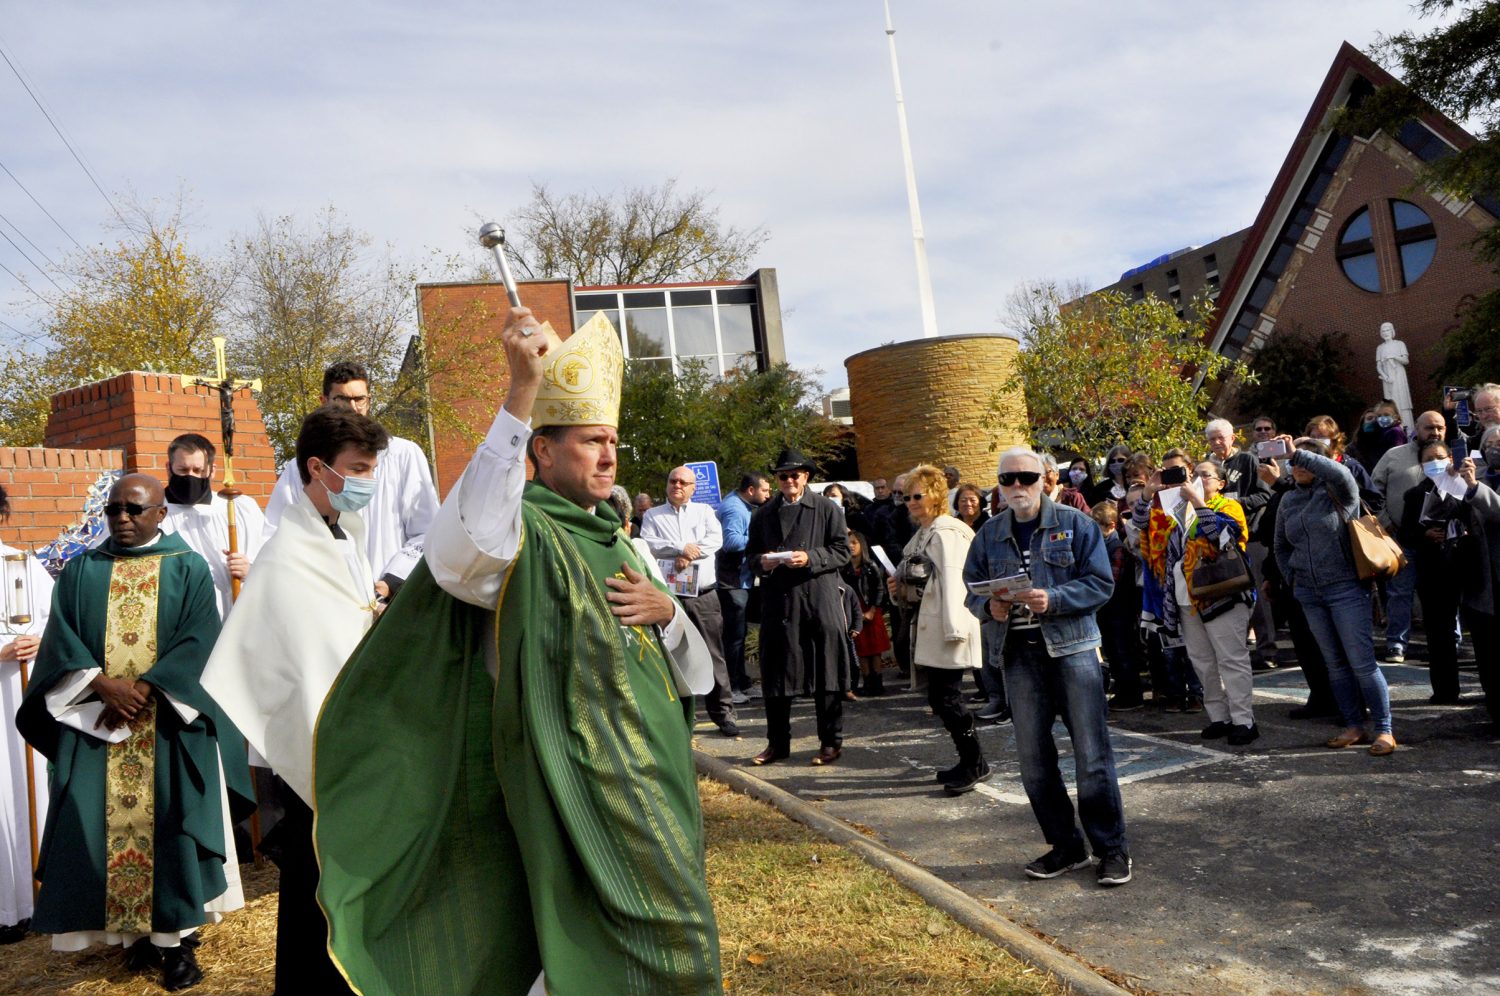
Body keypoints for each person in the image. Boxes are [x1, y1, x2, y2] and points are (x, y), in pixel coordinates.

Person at [310, 309, 721, 994]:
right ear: (544, 452)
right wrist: (521, 391)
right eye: (591, 441)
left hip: (656, 775)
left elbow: (693, 673)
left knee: (683, 933)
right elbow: (459, 552)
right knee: (614, 941)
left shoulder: (624, 542)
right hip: (573, 779)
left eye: (612, 442)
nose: (609, 457)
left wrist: (671, 613)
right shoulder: (521, 533)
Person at [18, 474, 253, 991]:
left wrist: (144, 689)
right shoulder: (82, 569)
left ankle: (176, 944)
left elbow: (198, 639)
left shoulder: (188, 567)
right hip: (98, 722)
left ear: (160, 514)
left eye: (134, 509)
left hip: (167, 724)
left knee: (171, 828)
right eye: (113, 510)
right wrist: (101, 685)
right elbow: (61, 640)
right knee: (97, 829)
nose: (122, 518)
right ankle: (133, 940)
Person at [201, 404, 389, 995]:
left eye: (372, 468)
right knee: (313, 893)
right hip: (315, 748)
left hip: (352, 742)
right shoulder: (285, 556)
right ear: (317, 468)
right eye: (358, 469)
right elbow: (288, 663)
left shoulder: (344, 535)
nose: (369, 481)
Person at [964, 447, 1131, 887]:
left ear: (1045, 480)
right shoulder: (989, 533)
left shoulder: (1077, 524)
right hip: (1019, 655)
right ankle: (1066, 846)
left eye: (1026, 477)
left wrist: (1054, 598)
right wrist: (988, 607)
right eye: (1007, 479)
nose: (1017, 486)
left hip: (1073, 650)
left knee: (1092, 756)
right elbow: (972, 588)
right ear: (999, 486)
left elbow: (1101, 584)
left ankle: (1111, 849)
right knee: (1034, 761)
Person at [263, 360, 438, 596]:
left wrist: (390, 582)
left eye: (360, 399)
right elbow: (277, 531)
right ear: (324, 401)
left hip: (391, 596)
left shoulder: (403, 454)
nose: (353, 408)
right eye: (342, 400)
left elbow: (427, 532)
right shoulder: (299, 467)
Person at [1273, 435, 1397, 756]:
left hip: (1346, 589)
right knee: (1335, 665)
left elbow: (1340, 473)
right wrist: (1294, 579)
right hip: (1309, 594)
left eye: (1305, 460)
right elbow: (1281, 546)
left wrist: (1297, 452)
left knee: (1362, 663)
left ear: (1321, 463)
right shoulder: (1288, 500)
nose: (1298, 466)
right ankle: (1353, 725)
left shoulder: (1340, 489)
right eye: (1294, 463)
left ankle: (1384, 729)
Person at [746, 448, 853, 766]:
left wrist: (810, 557)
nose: (789, 480)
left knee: (826, 672)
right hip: (779, 603)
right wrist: (762, 562)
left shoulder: (826, 508)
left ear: (805, 477)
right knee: (777, 674)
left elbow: (842, 551)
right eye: (783, 476)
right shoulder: (763, 514)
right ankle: (777, 743)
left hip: (817, 600)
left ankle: (831, 742)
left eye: (795, 475)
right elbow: (750, 556)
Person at [888, 465, 987, 792]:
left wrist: (955, 630)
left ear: (935, 495)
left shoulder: (947, 533)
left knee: (948, 698)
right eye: (907, 497)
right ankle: (969, 759)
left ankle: (974, 762)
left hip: (947, 625)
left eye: (918, 496)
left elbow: (956, 584)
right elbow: (918, 580)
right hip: (929, 625)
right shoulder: (924, 533)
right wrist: (898, 586)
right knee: (940, 698)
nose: (911, 502)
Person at [1163, 462, 1258, 745]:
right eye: (1196, 474)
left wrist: (1197, 501)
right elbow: (1146, 530)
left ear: (1221, 483)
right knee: (1202, 661)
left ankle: (1244, 721)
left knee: (1231, 659)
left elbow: (1220, 536)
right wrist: (1150, 491)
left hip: (1222, 594)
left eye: (1206, 475)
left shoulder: (1228, 506)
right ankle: (1219, 717)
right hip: (1187, 598)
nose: (1198, 479)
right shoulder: (1178, 511)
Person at [642, 466, 736, 737]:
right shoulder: (652, 515)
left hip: (703, 596)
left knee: (712, 653)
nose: (678, 486)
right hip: (669, 598)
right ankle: (681, 717)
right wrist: (679, 548)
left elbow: (715, 540)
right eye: (673, 481)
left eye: (684, 482)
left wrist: (689, 555)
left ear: (693, 488)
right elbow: (648, 543)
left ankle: (723, 713)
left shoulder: (704, 512)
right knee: (672, 656)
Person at [0, 485, 52, 946]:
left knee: (31, 789)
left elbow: (57, 620)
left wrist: (40, 640)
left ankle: (41, 898)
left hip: (25, 696)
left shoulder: (23, 565)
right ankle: (6, 908)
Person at [159, 433, 267, 619]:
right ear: (169, 468)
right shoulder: (153, 512)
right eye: (183, 470)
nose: (191, 476)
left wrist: (250, 569)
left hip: (234, 616)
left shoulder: (239, 508)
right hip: (177, 617)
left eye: (198, 470)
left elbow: (271, 560)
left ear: (212, 470)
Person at [1372, 410, 1448, 664]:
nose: (1435, 433)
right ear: (1417, 427)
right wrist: (1386, 525)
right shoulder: (1394, 456)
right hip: (1401, 539)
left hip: (1441, 542)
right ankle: (1396, 644)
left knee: (1444, 593)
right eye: (1429, 427)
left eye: (1440, 428)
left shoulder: (1450, 456)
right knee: (1400, 593)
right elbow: (1373, 492)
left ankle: (1452, 640)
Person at [1396, 440, 1470, 704]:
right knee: (1440, 635)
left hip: (1468, 567)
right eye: (1429, 459)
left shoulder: (1465, 487)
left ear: (1450, 458)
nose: (1435, 463)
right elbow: (1406, 533)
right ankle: (1445, 690)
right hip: (1435, 573)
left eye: (1439, 457)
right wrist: (1424, 534)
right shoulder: (1415, 495)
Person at [1134, 449, 1206, 713]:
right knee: (1169, 642)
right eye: (1167, 471)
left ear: (1190, 468)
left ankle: (1197, 692)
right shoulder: (1157, 501)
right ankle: (1175, 692)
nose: (1172, 476)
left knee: (1195, 642)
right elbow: (1139, 521)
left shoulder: (1199, 493)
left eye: (1177, 469)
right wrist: (1147, 492)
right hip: (1162, 579)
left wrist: (1192, 495)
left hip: (1193, 576)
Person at [1204, 418, 1274, 661]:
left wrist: (1232, 504)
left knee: (1259, 598)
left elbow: (1264, 495)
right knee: (1230, 598)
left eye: (1221, 437)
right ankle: (1237, 652)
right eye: (1212, 439)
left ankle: (1267, 650)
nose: (1216, 442)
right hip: (1218, 541)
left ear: (1233, 438)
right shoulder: (1207, 466)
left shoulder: (1248, 460)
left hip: (1250, 536)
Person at [1453, 427, 1500, 728]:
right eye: (1489, 444)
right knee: (1488, 653)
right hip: (1480, 583)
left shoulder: (1476, 483)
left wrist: (1472, 487)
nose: (1494, 448)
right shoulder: (1474, 477)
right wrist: (1446, 482)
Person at [717, 472, 771, 702]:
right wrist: (761, 542)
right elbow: (730, 542)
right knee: (734, 637)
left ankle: (744, 683)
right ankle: (733, 688)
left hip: (741, 581)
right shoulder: (735, 509)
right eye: (765, 490)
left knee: (739, 634)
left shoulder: (740, 504)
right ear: (751, 490)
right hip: (732, 583)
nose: (768, 495)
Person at [1093, 500, 1144, 712]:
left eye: (1098, 525)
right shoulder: (1102, 547)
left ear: (1111, 526)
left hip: (1119, 609)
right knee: (1113, 651)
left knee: (1122, 651)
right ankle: (1123, 691)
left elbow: (1112, 581)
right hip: (1108, 609)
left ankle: (1130, 695)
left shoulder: (1117, 548)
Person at [843, 530, 892, 697]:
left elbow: (879, 589)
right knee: (861, 648)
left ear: (861, 545)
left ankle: (878, 683)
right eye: (848, 542)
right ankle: (867, 682)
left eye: (854, 542)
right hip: (853, 611)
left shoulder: (870, 566)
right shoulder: (844, 568)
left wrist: (872, 610)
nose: (851, 546)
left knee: (875, 648)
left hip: (871, 610)